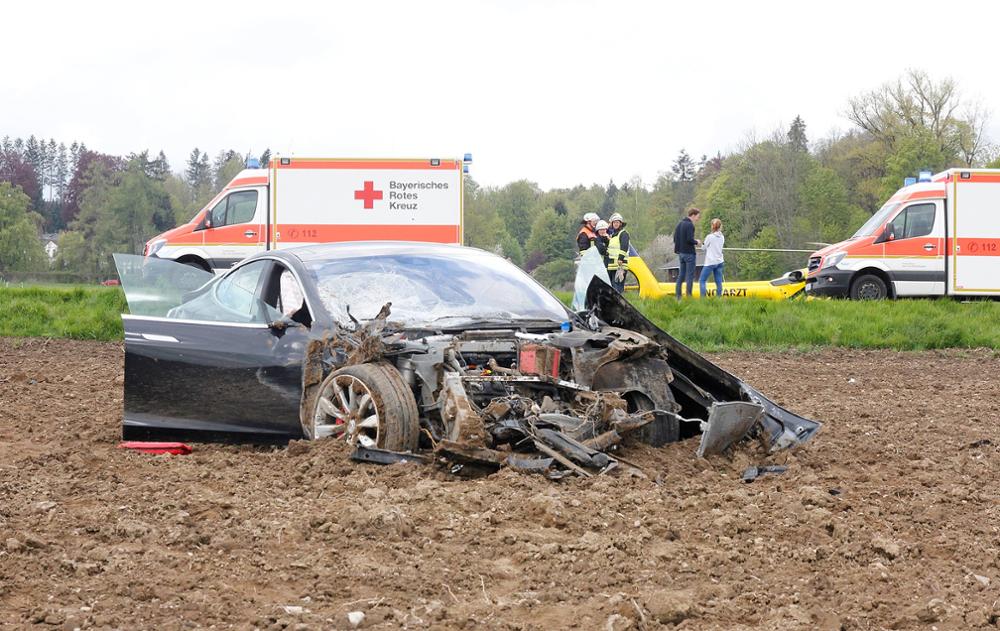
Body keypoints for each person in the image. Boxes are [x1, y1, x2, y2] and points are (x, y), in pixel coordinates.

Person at [672, 207, 701, 300]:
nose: (698, 219)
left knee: (681, 275)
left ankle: (678, 296)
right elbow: (689, 239)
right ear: (693, 215)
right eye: (697, 216)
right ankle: (689, 296)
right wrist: (697, 242)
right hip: (689, 254)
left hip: (681, 254)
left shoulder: (679, 224)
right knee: (690, 276)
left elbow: (675, 239)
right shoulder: (690, 225)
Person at [699, 218, 725, 298]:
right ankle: (719, 298)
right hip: (720, 261)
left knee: (702, 280)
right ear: (720, 227)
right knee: (718, 281)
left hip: (710, 262)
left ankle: (703, 299)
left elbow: (703, 248)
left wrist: (700, 243)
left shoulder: (709, 237)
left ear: (712, 226)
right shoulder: (722, 237)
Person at [606, 212, 631, 293]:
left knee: (618, 287)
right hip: (612, 265)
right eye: (614, 222)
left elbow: (624, 247)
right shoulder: (613, 235)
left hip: (620, 265)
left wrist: (620, 258)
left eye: (617, 222)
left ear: (621, 223)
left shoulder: (624, 234)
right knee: (613, 286)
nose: (616, 224)